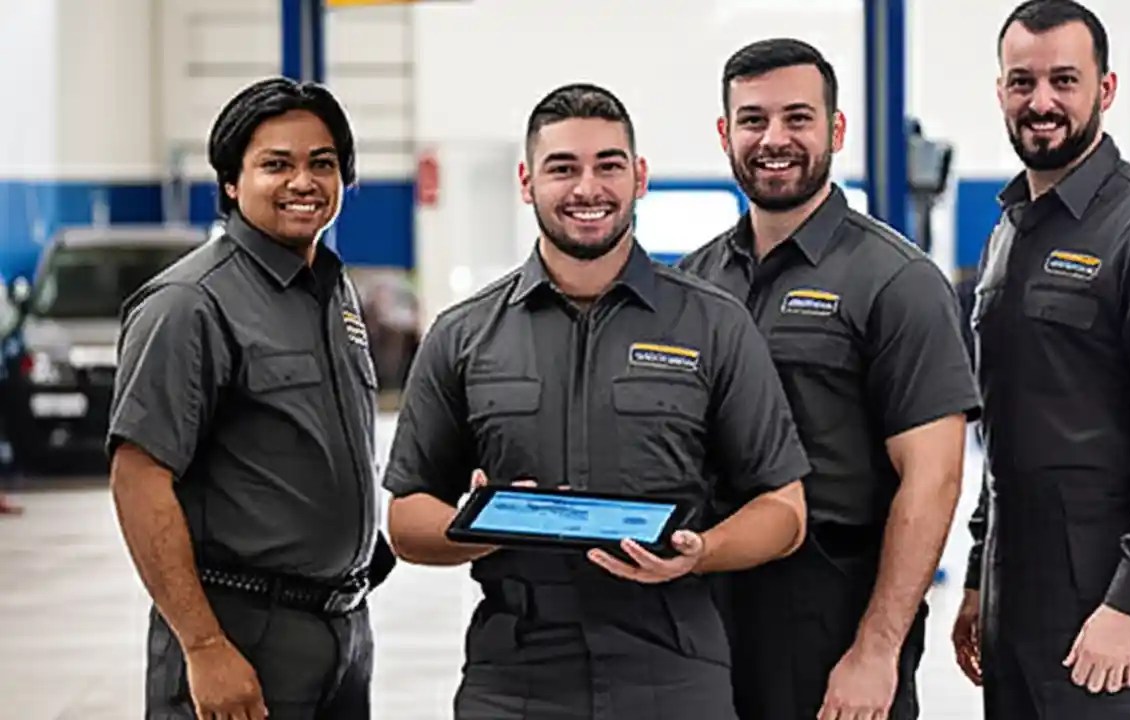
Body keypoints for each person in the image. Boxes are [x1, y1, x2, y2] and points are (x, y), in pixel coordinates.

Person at [382, 82, 812, 720]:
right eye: (563, 168)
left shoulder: (712, 324)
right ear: (527, 182)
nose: (588, 188)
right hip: (514, 676)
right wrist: (478, 527)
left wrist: (703, 554)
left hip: (673, 668)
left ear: (639, 176)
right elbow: (406, 518)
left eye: (608, 165)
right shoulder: (464, 334)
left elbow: (785, 508)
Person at [678, 38, 981, 720]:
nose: (774, 139)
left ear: (836, 129)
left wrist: (876, 651)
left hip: (833, 614)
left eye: (798, 118)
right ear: (726, 134)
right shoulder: (691, 283)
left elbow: (934, 480)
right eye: (753, 120)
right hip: (703, 612)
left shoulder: (898, 283)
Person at [951, 2, 1130, 718]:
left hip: (1112, 605)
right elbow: (1007, 430)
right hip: (1016, 604)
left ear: (1104, 89)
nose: (1041, 102)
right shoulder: (1008, 234)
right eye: (1022, 82)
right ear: (1001, 92)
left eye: (1064, 81)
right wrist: (981, 573)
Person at [106, 77, 396, 720]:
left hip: (341, 630)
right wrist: (204, 644)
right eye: (276, 164)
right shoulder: (191, 303)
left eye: (322, 163)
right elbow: (139, 478)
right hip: (241, 631)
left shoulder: (330, 293)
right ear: (232, 183)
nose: (303, 181)